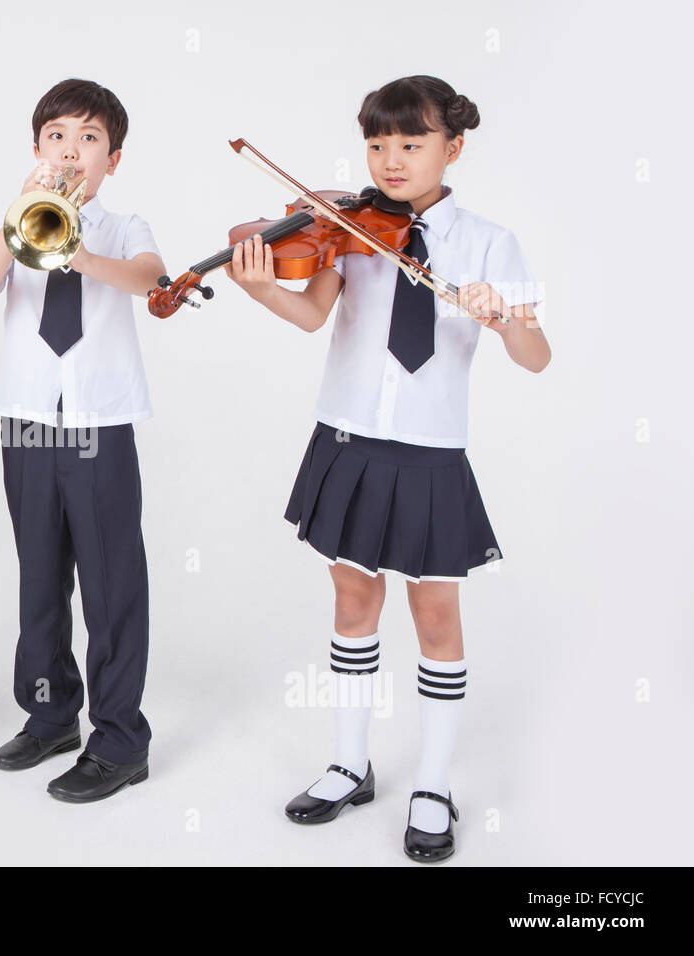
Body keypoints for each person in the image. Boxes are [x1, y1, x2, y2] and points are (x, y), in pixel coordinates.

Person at [225, 75, 550, 861]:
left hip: (429, 447)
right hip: (346, 436)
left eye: (411, 143)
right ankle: (349, 761)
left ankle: (433, 781)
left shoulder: (489, 242)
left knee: (434, 612)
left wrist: (504, 320)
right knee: (352, 593)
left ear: (453, 147)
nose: (392, 159)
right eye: (378, 143)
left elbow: (537, 357)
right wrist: (264, 286)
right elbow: (310, 315)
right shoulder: (352, 229)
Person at [0, 78, 166, 803]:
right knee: (39, 574)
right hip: (25, 418)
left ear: (112, 158)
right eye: (58, 136)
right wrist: (22, 213)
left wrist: (74, 252)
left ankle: (118, 740)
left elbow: (149, 280)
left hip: (99, 421)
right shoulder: (22, 221)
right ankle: (51, 715)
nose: (71, 150)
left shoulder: (123, 227)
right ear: (36, 149)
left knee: (111, 586)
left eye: (89, 139)